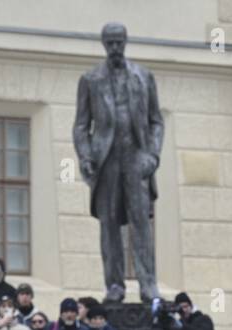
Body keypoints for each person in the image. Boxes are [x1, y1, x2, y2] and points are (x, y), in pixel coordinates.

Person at [73, 21, 164, 303]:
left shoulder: (144, 77)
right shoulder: (90, 80)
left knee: (141, 224)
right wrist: (86, 156)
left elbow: (156, 122)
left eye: (119, 42)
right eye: (110, 43)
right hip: (106, 159)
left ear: (125, 42)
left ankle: (148, 285)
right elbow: (80, 126)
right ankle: (115, 285)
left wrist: (153, 155)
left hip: (137, 156)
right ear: (103, 44)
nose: (115, 48)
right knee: (109, 225)